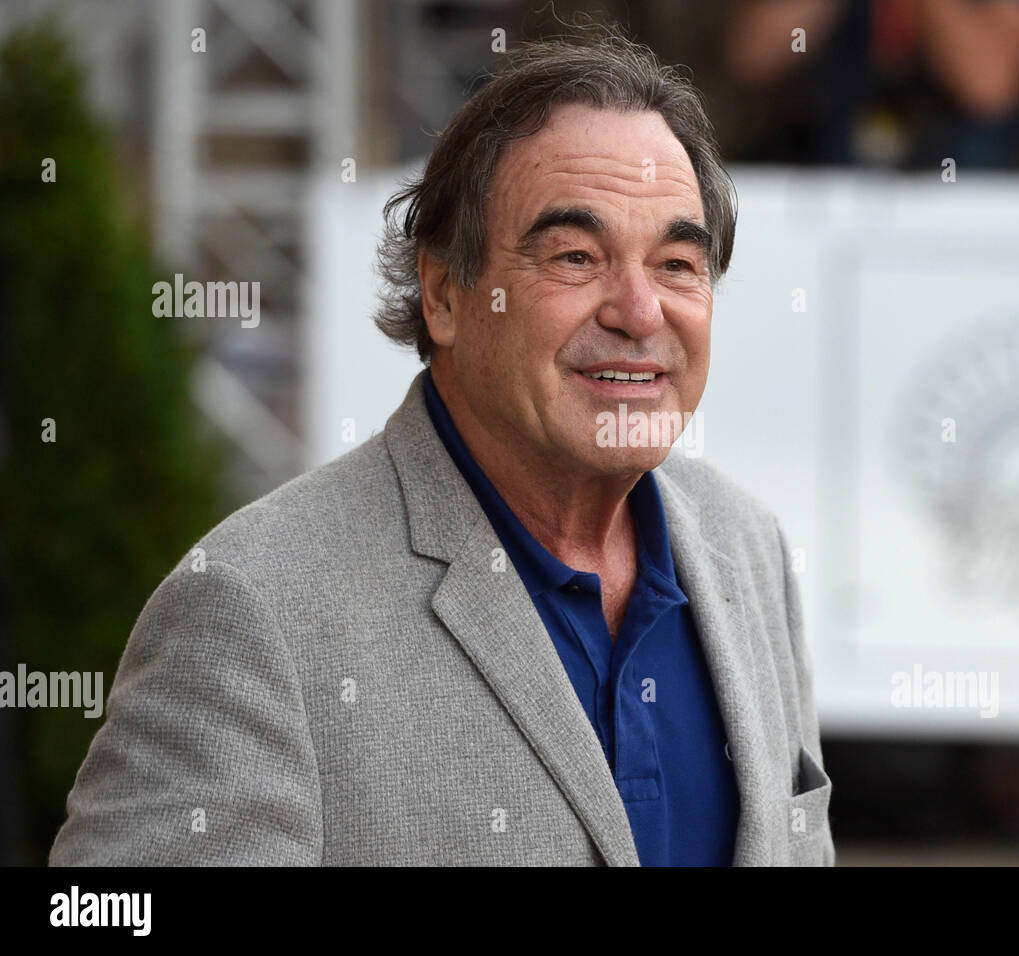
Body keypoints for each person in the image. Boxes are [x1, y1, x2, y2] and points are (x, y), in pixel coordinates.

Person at [48, 26, 833, 867]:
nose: (640, 312)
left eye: (677, 263)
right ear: (443, 294)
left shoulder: (748, 550)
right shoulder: (255, 609)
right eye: (576, 255)